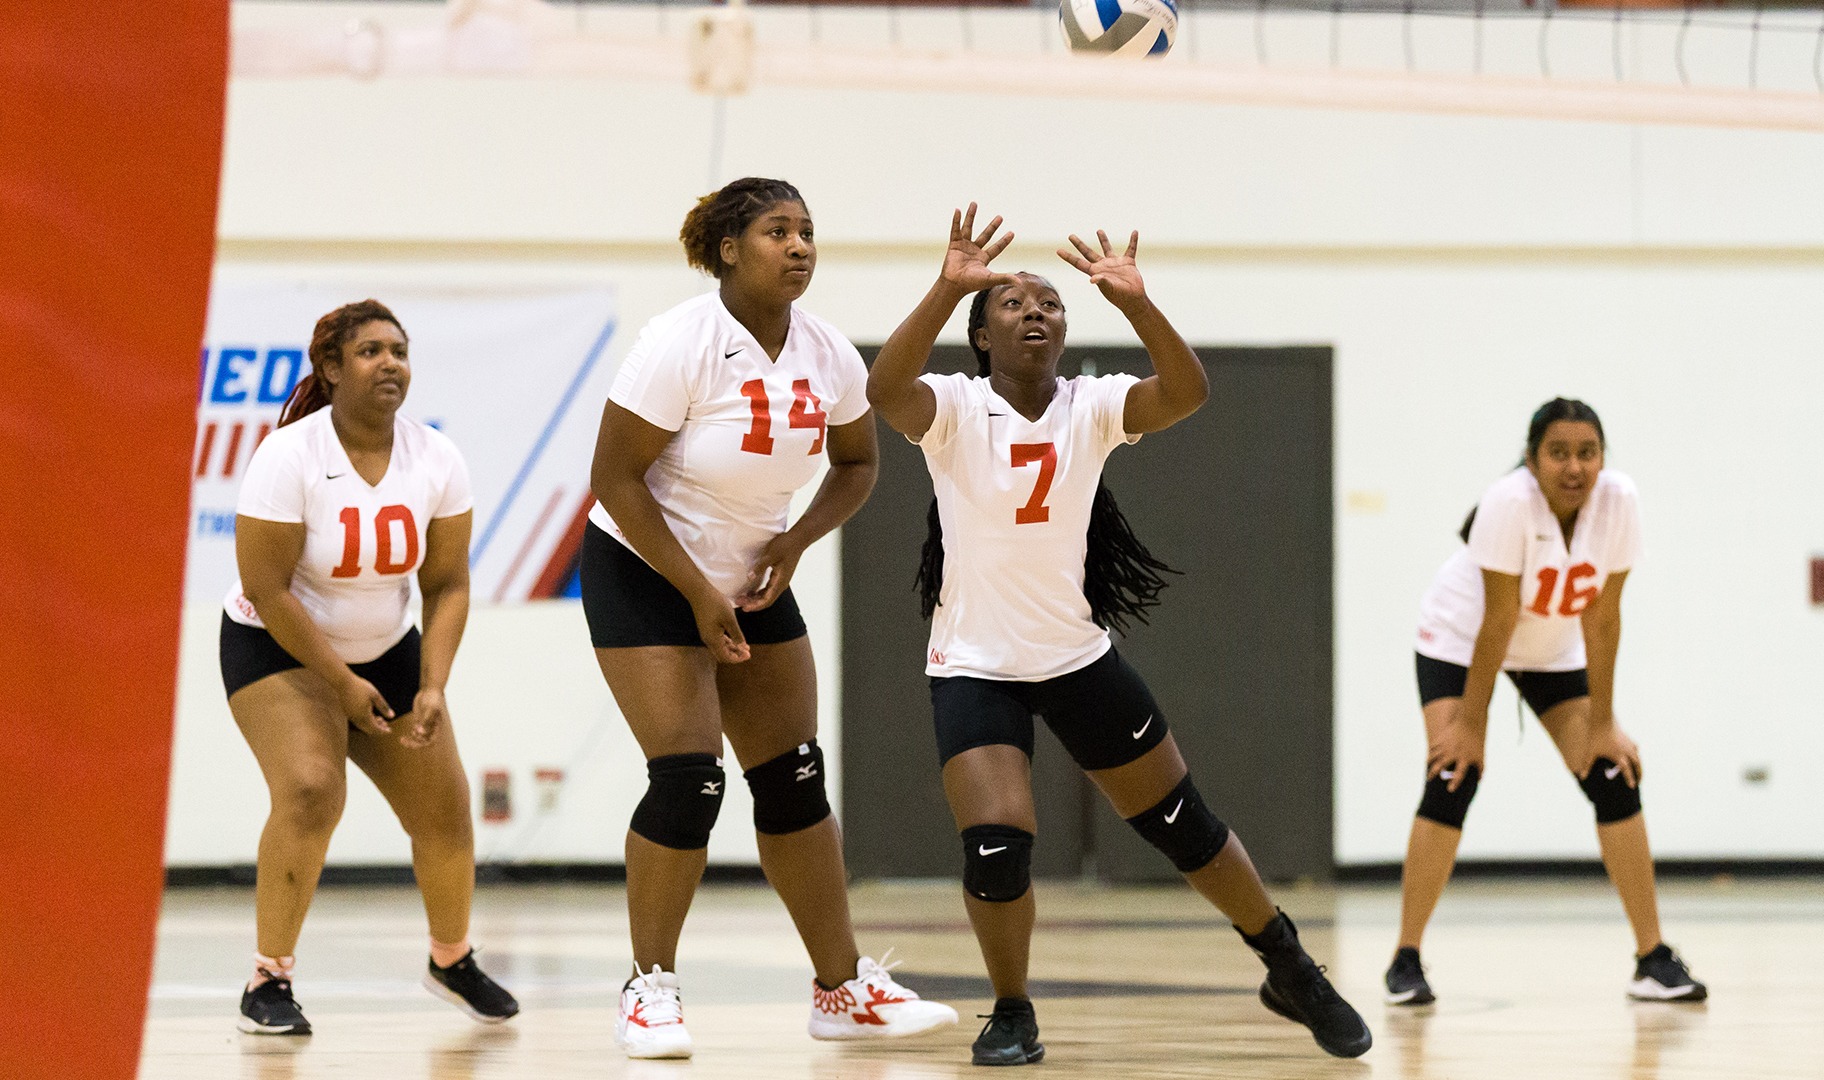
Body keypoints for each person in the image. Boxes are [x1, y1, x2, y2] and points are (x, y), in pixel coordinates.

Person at [865, 205, 1373, 1065]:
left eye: (1050, 303)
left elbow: (1187, 391)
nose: (1035, 311)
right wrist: (946, 287)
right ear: (982, 336)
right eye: (1013, 302)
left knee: (1183, 825)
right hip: (976, 664)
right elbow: (884, 391)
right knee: (997, 848)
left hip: (1075, 658)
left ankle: (1289, 965)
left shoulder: (1092, 406)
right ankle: (1013, 1010)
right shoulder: (953, 407)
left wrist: (1136, 302)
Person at [583, 177, 957, 1060]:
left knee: (793, 777)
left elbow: (858, 463)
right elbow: (614, 478)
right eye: (777, 231)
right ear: (728, 250)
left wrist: (795, 541)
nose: (798, 247)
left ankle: (842, 989)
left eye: (807, 232)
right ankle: (649, 991)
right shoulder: (680, 341)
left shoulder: (827, 352)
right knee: (689, 779)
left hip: (750, 576)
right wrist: (694, 590)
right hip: (647, 569)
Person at [222, 300, 517, 1035]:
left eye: (400, 351)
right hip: (276, 644)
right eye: (370, 351)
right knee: (313, 789)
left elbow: (447, 584)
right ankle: (268, 981)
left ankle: (451, 960)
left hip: (386, 648)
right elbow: (267, 588)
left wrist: (433, 684)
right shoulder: (289, 456)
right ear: (330, 368)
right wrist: (341, 684)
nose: (390, 363)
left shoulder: (436, 458)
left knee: (444, 808)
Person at [1389, 397, 1708, 1005]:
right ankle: (1405, 960)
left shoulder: (1619, 501)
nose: (1574, 466)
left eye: (1587, 452)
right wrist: (1471, 724)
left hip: (1549, 647)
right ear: (1532, 459)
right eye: (1558, 452)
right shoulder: (1509, 502)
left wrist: (1603, 724)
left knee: (1613, 774)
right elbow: (1497, 620)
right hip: (1461, 636)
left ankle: (1652, 959)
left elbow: (1604, 619)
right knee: (1453, 773)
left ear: (1603, 458)